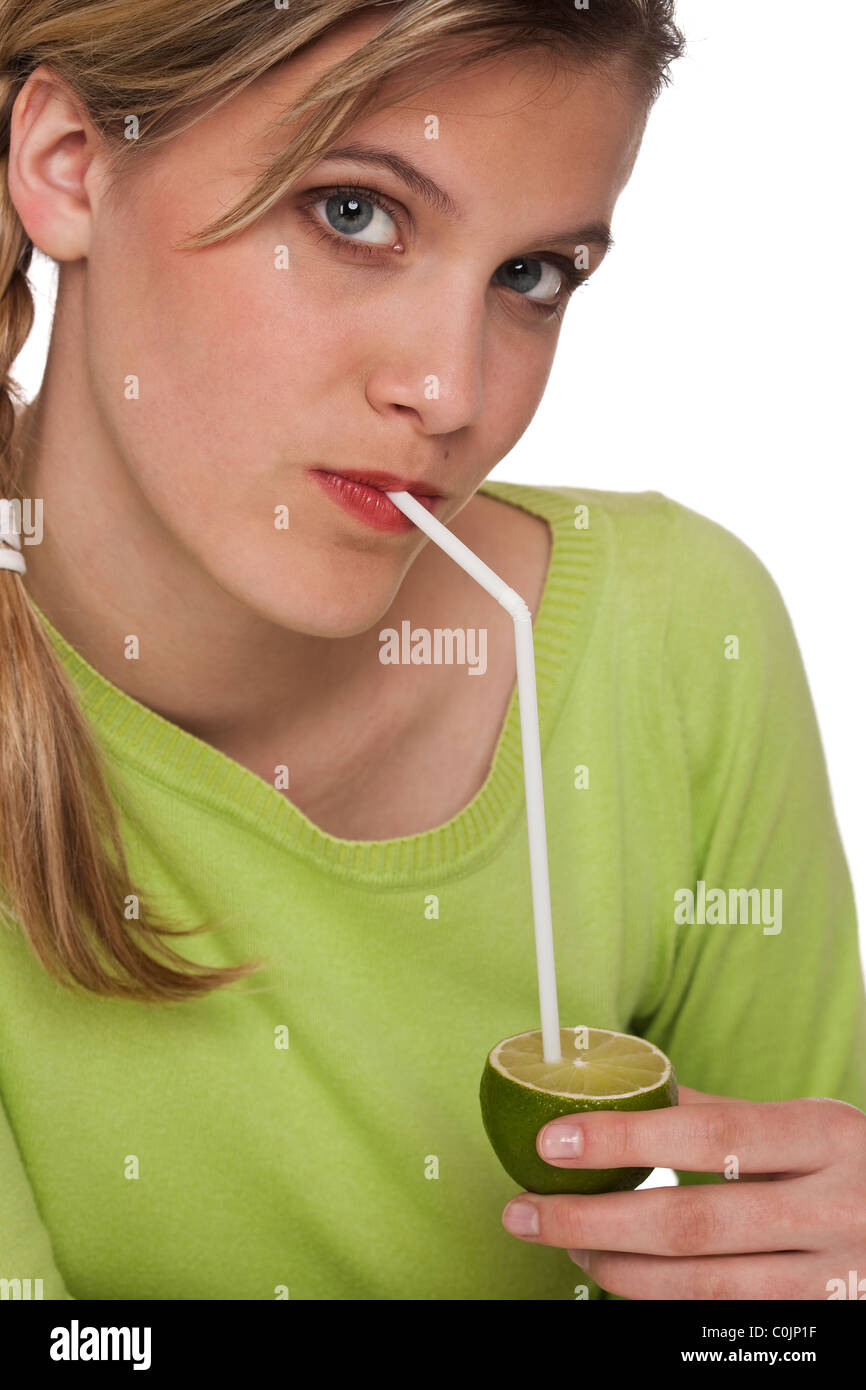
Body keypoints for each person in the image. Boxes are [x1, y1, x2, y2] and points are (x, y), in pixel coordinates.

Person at [0, 0, 863, 1303]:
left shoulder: (685, 643)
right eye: (353, 213)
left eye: (531, 277)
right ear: (71, 160)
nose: (451, 394)